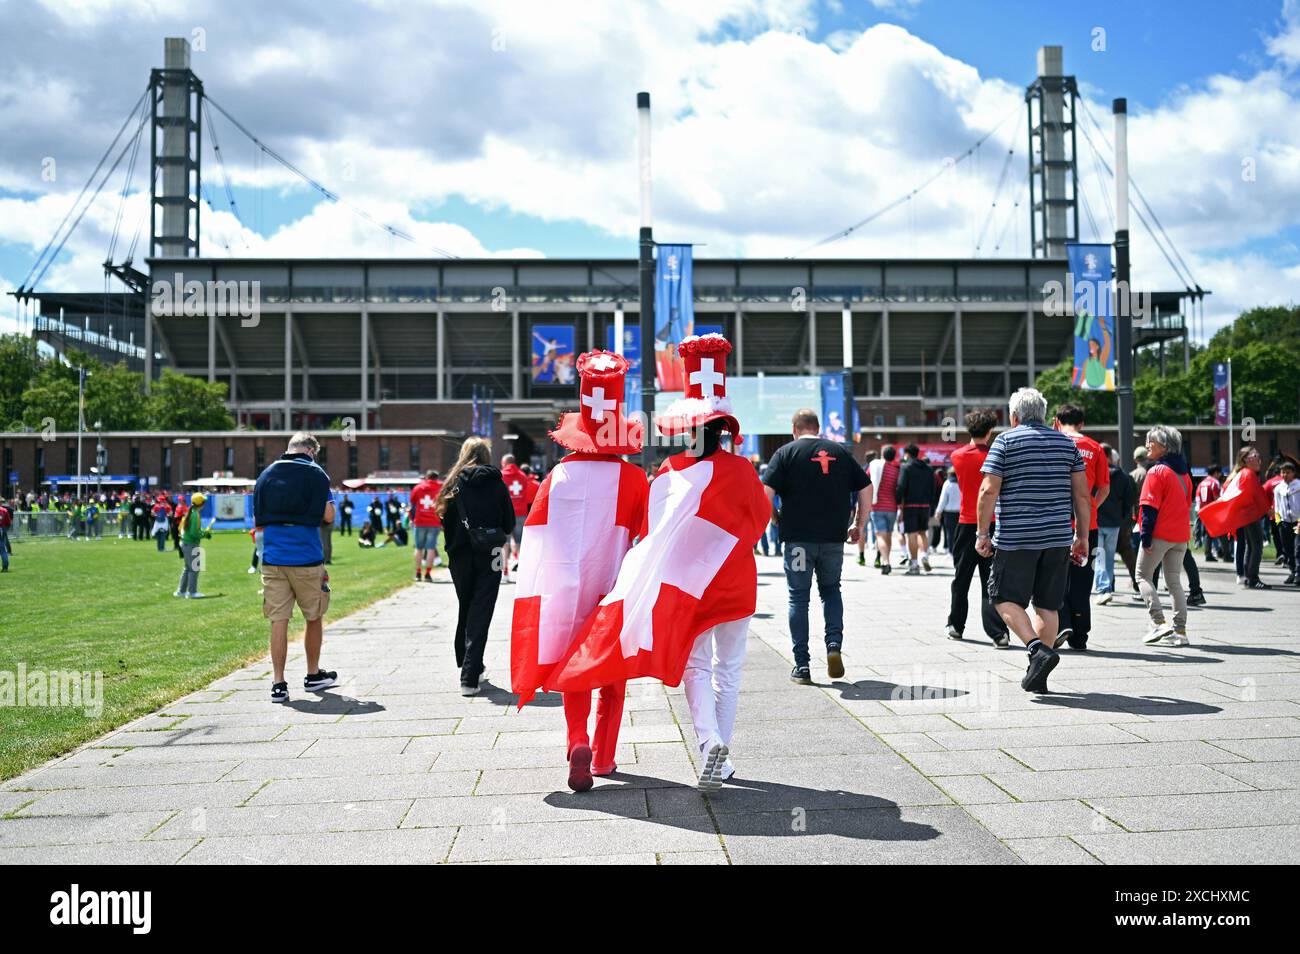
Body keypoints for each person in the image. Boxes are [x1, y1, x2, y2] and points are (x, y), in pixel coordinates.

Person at [551, 333, 768, 790]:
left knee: (698, 667)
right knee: (729, 670)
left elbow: (650, 534)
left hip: (689, 590)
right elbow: (760, 522)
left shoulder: (669, 473)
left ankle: (709, 744)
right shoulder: (745, 470)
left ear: (687, 430)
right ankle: (719, 756)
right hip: (737, 585)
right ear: (724, 429)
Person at [511, 350, 649, 792]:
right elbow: (645, 540)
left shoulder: (558, 477)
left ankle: (577, 739)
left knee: (575, 665)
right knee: (610, 669)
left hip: (568, 586)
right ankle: (605, 757)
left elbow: (537, 540)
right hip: (614, 588)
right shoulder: (633, 480)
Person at [975, 388, 1090, 694]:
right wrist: (1082, 537)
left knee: (1001, 597)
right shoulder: (1067, 444)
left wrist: (982, 533)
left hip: (1016, 538)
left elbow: (988, 491)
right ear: (1045, 415)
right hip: (1057, 538)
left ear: (1014, 416)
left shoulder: (1005, 441)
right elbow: (1081, 495)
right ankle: (1038, 674)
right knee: (1047, 604)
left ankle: (1036, 649)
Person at [762, 408, 870, 684]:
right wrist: (859, 523)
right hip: (833, 539)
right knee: (831, 590)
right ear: (817, 427)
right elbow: (866, 487)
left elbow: (766, 493)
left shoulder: (785, 453)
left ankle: (802, 665)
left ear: (795, 428)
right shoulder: (841, 452)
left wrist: (774, 517)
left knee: (798, 597)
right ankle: (833, 645)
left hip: (798, 540)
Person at [253, 432, 337, 704]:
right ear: (312, 451)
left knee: (279, 620)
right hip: (306, 556)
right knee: (313, 615)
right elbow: (328, 515)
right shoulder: (317, 474)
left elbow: (259, 519)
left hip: (274, 558)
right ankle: (313, 675)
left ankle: (279, 683)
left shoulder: (266, 474)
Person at [436, 436, 514, 696]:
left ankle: (470, 664)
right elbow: (509, 522)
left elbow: (443, 518)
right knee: (481, 610)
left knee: (467, 607)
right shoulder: (496, 483)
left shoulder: (453, 483)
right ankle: (470, 675)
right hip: (490, 552)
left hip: (459, 555)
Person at [946, 408, 1009, 646]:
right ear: (990, 431)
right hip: (993, 524)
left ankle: (955, 624)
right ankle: (997, 633)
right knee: (991, 580)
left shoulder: (957, 456)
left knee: (961, 578)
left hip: (965, 524)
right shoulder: (997, 455)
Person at [1052, 404, 1109, 650]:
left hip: (1055, 522)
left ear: (1056, 421)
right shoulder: (1095, 448)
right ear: (1082, 424)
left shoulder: (1052, 443)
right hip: (1088, 525)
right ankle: (1080, 635)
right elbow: (1105, 487)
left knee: (1053, 576)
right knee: (1083, 579)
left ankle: (1062, 621)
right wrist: (1090, 506)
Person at [1136, 427, 1194, 646]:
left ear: (1165, 447)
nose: (1147, 443)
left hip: (1160, 534)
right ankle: (1180, 631)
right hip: (1181, 537)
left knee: (1142, 575)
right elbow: (1187, 505)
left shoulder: (1157, 472)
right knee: (1174, 582)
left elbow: (1149, 508)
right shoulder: (1184, 474)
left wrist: (1146, 536)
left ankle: (1158, 622)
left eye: (1152, 441)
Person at [1095, 443, 1135, 605]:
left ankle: (1103, 588)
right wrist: (1123, 519)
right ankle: (1108, 586)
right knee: (1109, 557)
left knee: (1098, 556)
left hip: (1096, 522)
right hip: (1114, 523)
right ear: (1111, 457)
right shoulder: (1124, 477)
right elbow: (1129, 502)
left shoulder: (1095, 474)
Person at [500, 454, 536, 581]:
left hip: (506, 514)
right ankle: (522, 572)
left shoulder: (501, 475)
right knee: (521, 542)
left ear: (505, 463)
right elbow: (526, 493)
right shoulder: (522, 476)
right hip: (521, 513)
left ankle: (504, 571)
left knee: (504, 542)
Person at [867, 445, 900, 575]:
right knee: (888, 536)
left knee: (880, 535)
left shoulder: (874, 467)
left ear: (882, 454)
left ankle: (885, 562)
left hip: (877, 506)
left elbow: (867, 480)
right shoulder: (896, 471)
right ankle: (887, 559)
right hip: (892, 508)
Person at [410, 469, 444, 581]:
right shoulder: (441, 487)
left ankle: (418, 573)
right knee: (431, 548)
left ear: (426, 477)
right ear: (436, 478)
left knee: (419, 548)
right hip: (434, 522)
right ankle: (428, 574)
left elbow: (413, 502)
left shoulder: (418, 487)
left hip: (420, 522)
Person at [175, 492, 209, 599]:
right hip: (191, 544)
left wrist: (202, 532)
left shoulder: (191, 512)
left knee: (187, 567)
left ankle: (181, 591)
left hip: (185, 543)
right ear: (201, 504)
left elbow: (191, 530)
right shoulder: (195, 515)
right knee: (195, 567)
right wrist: (204, 534)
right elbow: (194, 533)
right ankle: (192, 592)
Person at [1275, 460, 1300, 585]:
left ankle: (1298, 573)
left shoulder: (1299, 485)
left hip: (1298, 522)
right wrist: (1278, 522)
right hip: (1284, 523)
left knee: (1297, 548)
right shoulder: (1278, 488)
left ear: (1293, 473)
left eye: (1287, 472)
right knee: (1287, 549)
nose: (1284, 475)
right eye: (1282, 472)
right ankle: (1292, 571)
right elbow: (1277, 506)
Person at [1196, 466, 1227, 561]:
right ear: (1216, 473)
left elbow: (1197, 498)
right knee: (1222, 532)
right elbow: (1216, 497)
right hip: (1212, 510)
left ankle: (1208, 554)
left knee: (1207, 534)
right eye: (1219, 473)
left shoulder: (1201, 483)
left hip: (1203, 511)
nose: (1220, 475)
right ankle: (1226, 554)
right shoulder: (1214, 482)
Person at [936, 467, 961, 554]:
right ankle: (958, 550)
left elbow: (943, 500)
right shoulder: (962, 483)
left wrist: (938, 511)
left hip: (949, 512)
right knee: (958, 533)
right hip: (960, 512)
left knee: (950, 533)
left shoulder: (947, 483)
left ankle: (951, 551)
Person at [0, 498, 12, 572]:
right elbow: (8, 523)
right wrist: (5, 530)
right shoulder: (4, 510)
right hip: (1, 529)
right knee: (2, 549)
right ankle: (5, 567)